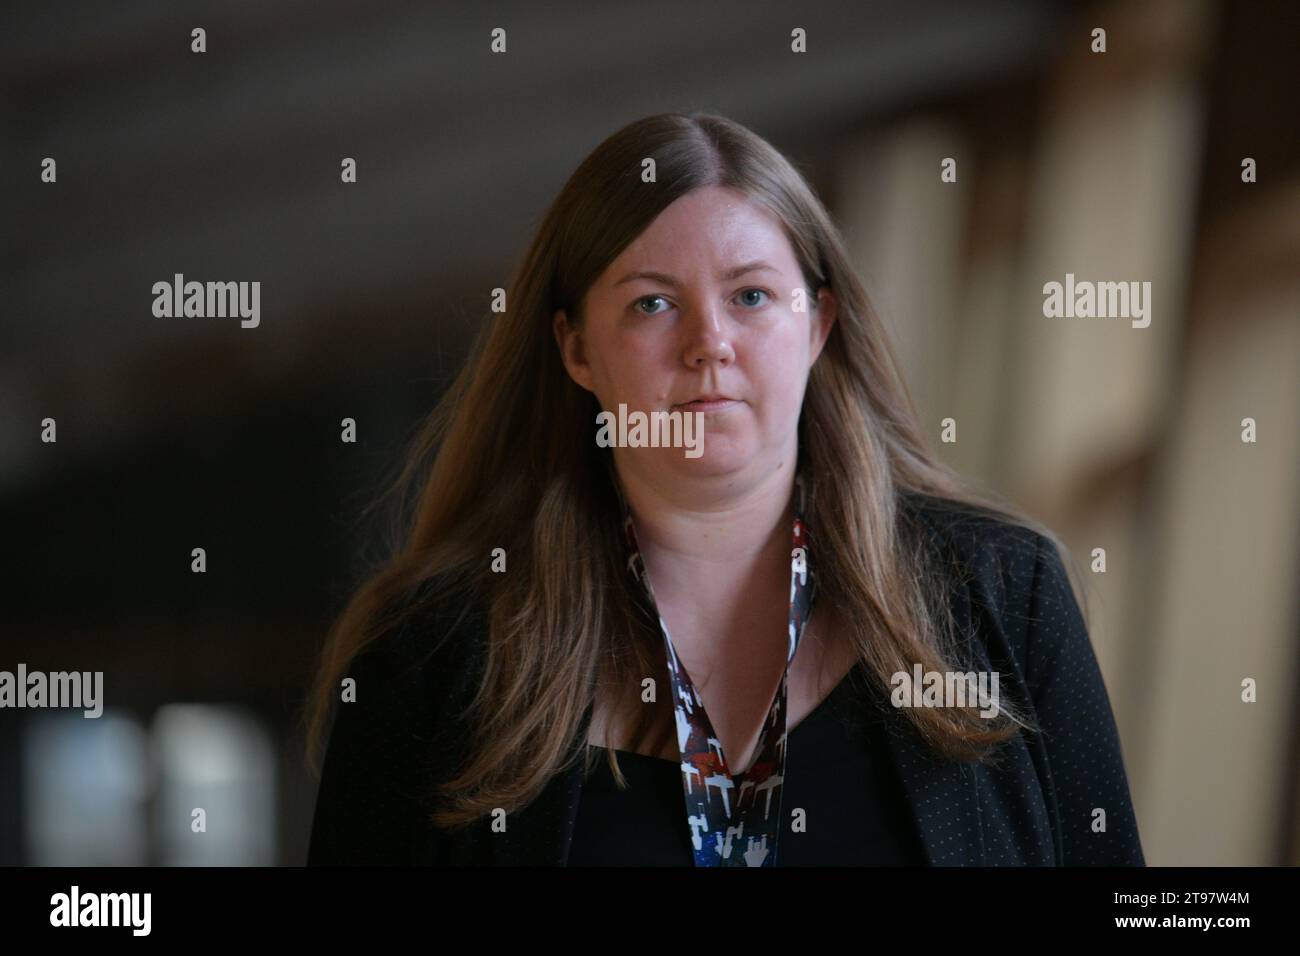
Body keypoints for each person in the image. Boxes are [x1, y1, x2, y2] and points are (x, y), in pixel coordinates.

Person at [303, 112, 1144, 866]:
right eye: (652, 305)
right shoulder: (431, 654)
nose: (710, 344)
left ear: (816, 325)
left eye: (750, 295)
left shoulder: (1000, 593)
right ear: (576, 351)